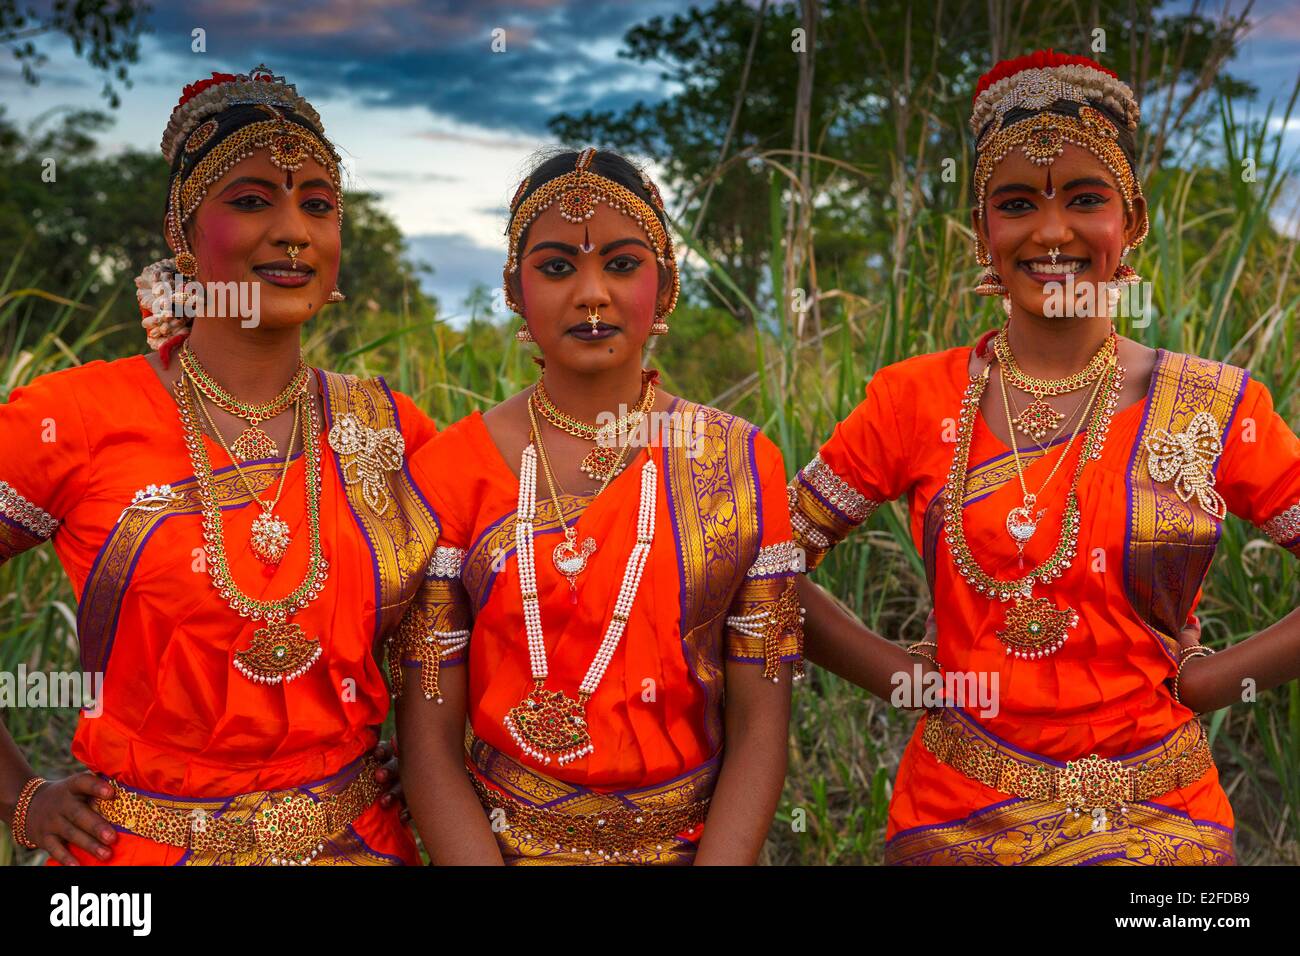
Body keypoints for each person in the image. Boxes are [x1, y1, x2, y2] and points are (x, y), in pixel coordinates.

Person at [792, 50, 1300, 865]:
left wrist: (1209, 681)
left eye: (1086, 199)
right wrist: (902, 678)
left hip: (1160, 816)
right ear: (983, 230)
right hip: (956, 814)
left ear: (1131, 222)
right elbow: (762, 560)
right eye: (1018, 203)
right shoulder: (912, 400)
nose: (1053, 232)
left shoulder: (1213, 407)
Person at [0, 66, 437, 865]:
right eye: (250, 200)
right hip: (135, 859)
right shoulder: (79, 419)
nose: (293, 231)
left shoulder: (392, 428)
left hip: (361, 843)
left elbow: (502, 605)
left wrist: (435, 751)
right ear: (183, 231)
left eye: (318, 205)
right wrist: (20, 796)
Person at [395, 147, 802, 864]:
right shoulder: (451, 470)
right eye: (556, 267)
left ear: (666, 285)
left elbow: (761, 725)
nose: (590, 294)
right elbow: (427, 746)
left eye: (621, 264)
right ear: (514, 291)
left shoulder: (737, 463)